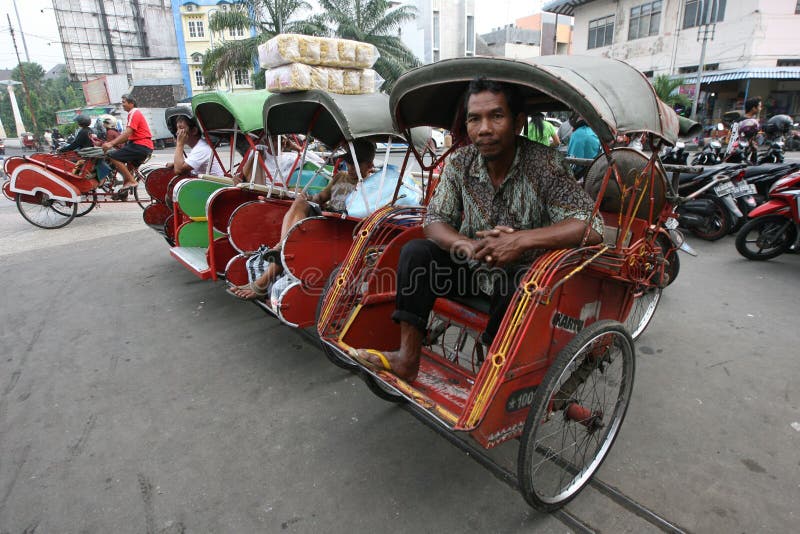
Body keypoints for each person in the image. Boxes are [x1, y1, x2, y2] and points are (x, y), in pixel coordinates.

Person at [351, 77, 604, 382]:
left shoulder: (544, 163)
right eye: (474, 119)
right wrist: (466, 246)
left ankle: (493, 376)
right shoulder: (460, 162)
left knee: (520, 281)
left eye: (496, 116)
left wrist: (520, 242)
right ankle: (407, 359)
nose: (484, 129)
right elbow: (434, 220)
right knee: (416, 252)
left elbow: (591, 226)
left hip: (527, 279)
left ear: (517, 123)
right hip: (471, 268)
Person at [229, 139, 376, 300]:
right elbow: (320, 197)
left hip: (340, 228)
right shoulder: (340, 176)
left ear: (369, 165)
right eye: (349, 163)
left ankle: (262, 281)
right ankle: (282, 247)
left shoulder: (371, 184)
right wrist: (305, 196)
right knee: (300, 202)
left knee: (296, 233)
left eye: (356, 164)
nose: (351, 168)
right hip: (324, 219)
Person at [102, 94, 154, 194]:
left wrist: (110, 144)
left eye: (124, 102)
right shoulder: (133, 114)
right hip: (143, 146)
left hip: (140, 145)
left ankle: (131, 181)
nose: (122, 105)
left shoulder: (134, 112)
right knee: (129, 170)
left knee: (113, 157)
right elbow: (126, 137)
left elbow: (127, 133)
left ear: (131, 103)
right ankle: (123, 194)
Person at [566, 114, 601, 179]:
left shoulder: (577, 134)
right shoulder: (595, 133)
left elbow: (572, 163)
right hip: (595, 174)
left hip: (582, 176)